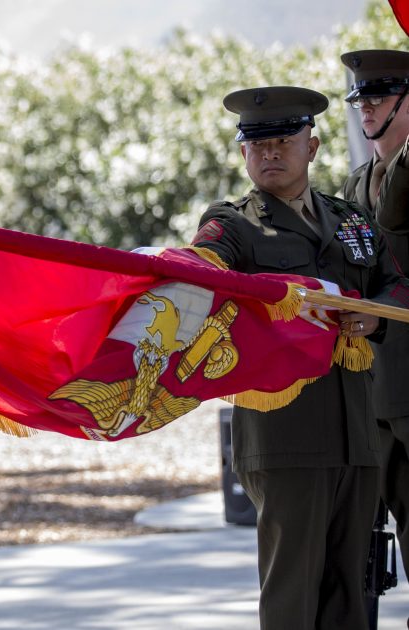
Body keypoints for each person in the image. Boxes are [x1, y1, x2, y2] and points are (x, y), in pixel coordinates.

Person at [190, 86, 408, 630]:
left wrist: (376, 314)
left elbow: (396, 286)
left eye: (284, 141)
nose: (269, 154)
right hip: (284, 437)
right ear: (242, 154)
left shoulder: (352, 220)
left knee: (352, 595)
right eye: (256, 144)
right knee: (293, 596)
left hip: (356, 436)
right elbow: (200, 270)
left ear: (311, 148)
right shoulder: (233, 224)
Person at [340, 49, 409, 595]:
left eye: (379, 97)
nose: (366, 109)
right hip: (379, 392)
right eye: (361, 98)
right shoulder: (357, 184)